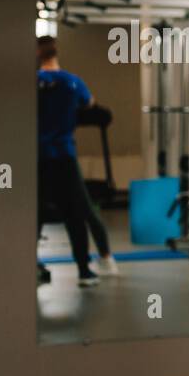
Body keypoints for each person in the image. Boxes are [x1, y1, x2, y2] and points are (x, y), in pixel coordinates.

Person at [37, 36, 118, 285]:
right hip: (63, 156)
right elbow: (91, 105)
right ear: (56, 53)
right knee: (76, 213)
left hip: (35, 157)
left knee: (33, 214)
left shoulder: (31, 81)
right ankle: (84, 270)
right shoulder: (72, 82)